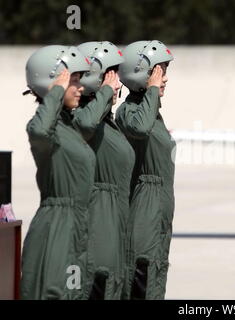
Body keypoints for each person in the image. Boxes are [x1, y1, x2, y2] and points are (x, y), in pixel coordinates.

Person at [21, 45, 92, 299]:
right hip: (57, 229)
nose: (80, 88)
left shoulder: (68, 127)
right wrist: (57, 91)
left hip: (77, 227)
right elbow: (39, 131)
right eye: (73, 81)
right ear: (53, 82)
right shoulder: (43, 128)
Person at [74, 41, 135, 299]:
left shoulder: (108, 123)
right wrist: (104, 92)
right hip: (97, 224)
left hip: (115, 222)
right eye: (110, 76)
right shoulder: (80, 118)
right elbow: (85, 123)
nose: (117, 84)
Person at [115, 40, 175, 300]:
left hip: (159, 205)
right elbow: (139, 128)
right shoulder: (129, 110)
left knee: (157, 268)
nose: (164, 79)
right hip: (144, 206)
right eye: (159, 71)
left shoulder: (152, 114)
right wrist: (151, 90)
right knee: (143, 269)